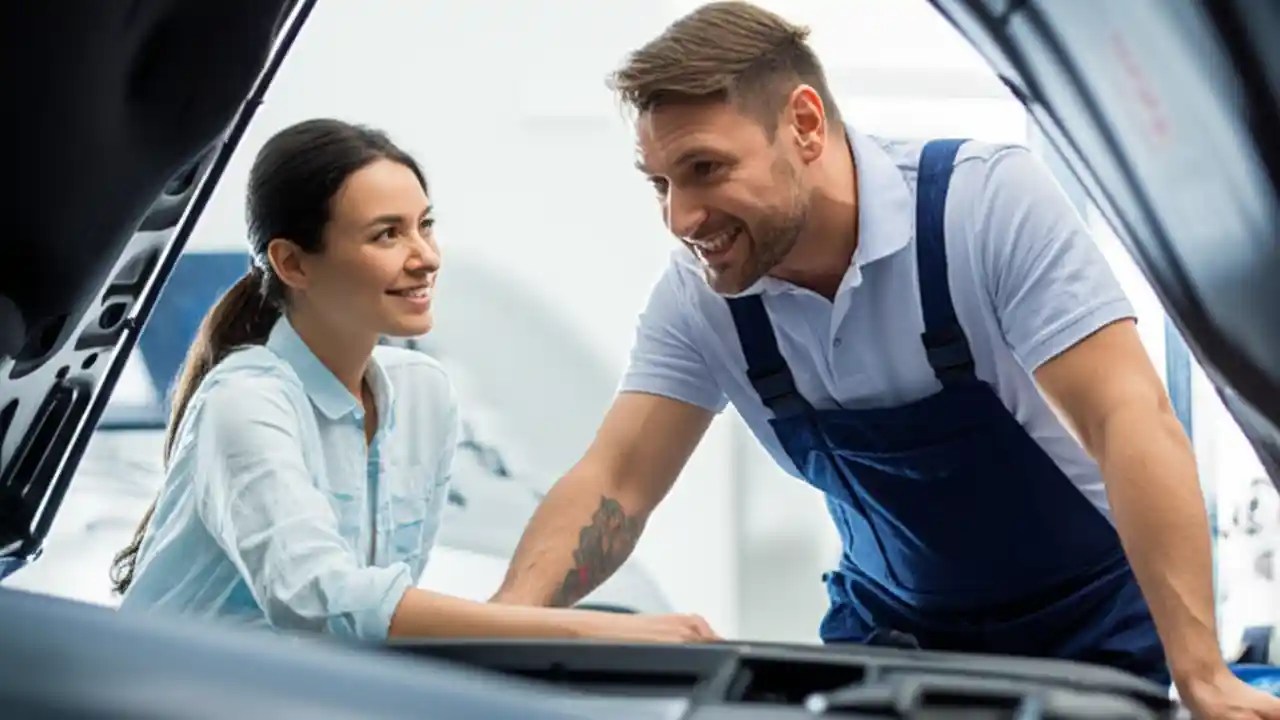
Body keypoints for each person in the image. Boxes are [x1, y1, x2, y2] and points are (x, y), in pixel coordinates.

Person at [488, 3, 1280, 717]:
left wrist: (1202, 673)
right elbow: (615, 481)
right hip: (892, 641)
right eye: (659, 183)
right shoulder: (702, 298)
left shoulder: (983, 207)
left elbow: (1126, 419)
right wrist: (496, 638)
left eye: (705, 170)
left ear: (803, 124)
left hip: (1084, 632)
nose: (680, 217)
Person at [110, 118, 717, 645]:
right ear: (293, 263)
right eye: (387, 234)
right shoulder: (243, 402)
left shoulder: (425, 395)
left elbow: (372, 617)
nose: (424, 255)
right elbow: (320, 600)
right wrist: (602, 629)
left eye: (425, 225)